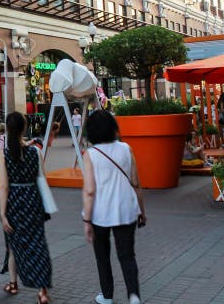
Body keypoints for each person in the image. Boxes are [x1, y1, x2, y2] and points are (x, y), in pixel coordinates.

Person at [82, 110, 145, 304]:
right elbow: (136, 182)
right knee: (127, 255)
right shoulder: (126, 148)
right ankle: (133, 296)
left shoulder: (90, 154)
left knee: (102, 256)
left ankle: (107, 296)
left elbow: (89, 190)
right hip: (126, 208)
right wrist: (142, 210)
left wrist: (86, 219)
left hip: (100, 212)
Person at [0, 111, 52, 303]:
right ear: (24, 128)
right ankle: (42, 290)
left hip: (14, 202)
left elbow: (3, 186)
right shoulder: (35, 151)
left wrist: (2, 214)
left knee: (13, 244)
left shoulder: (3, 155)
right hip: (33, 201)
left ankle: (13, 284)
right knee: (38, 243)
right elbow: (42, 178)